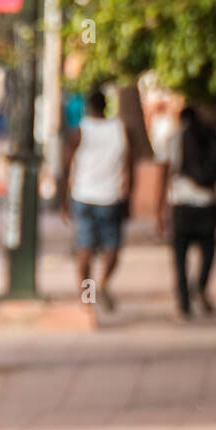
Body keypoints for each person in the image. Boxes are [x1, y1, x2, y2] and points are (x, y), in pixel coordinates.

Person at [61, 88, 134, 313]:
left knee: (85, 250)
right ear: (106, 106)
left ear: (88, 107)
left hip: (83, 196)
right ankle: (102, 284)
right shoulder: (121, 130)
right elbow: (130, 166)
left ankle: (88, 298)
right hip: (111, 197)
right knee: (112, 249)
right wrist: (129, 194)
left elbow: (65, 166)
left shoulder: (79, 132)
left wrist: (63, 197)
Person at [156, 106, 216, 319]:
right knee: (208, 251)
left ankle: (184, 302)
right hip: (208, 202)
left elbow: (164, 175)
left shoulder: (173, 139)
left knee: (180, 257)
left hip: (181, 203)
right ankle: (200, 286)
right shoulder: (209, 136)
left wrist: (159, 209)